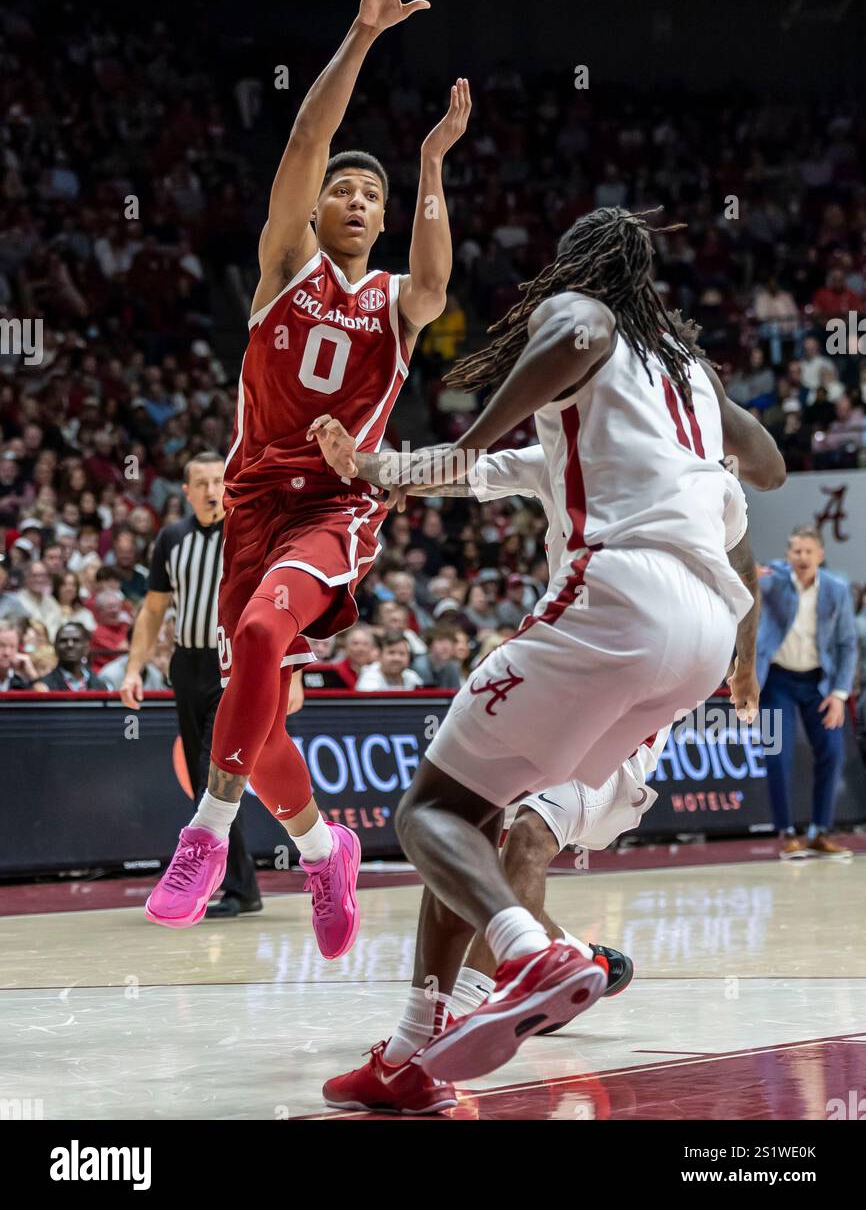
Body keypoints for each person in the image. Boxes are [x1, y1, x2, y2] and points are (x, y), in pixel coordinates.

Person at [312, 204, 785, 1108]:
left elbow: (560, 347)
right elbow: (765, 467)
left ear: (576, 273)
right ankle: (411, 1054)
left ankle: (532, 953)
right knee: (474, 813)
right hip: (698, 640)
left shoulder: (585, 316)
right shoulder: (684, 375)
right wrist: (378, 468)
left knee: (426, 812)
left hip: (623, 597)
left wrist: (468, 433)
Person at [145, 0, 472, 959]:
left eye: (371, 196)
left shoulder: (396, 305)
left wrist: (426, 167)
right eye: (345, 190)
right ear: (318, 207)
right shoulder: (283, 266)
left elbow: (431, 280)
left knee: (252, 643)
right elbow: (303, 137)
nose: (355, 200)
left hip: (333, 512)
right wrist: (366, 30)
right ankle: (324, 848)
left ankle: (204, 831)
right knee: (267, 725)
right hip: (250, 502)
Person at [122, 453, 264, 917]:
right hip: (187, 665)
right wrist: (132, 668)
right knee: (204, 778)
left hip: (235, 666)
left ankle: (239, 887)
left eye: (218, 481)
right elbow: (154, 609)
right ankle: (235, 883)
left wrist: (292, 673)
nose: (209, 490)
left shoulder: (247, 531)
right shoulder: (171, 538)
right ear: (185, 492)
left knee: (214, 773)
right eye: (200, 483)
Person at [756, 526, 857, 859]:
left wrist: (840, 694)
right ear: (788, 556)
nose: (801, 558)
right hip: (776, 682)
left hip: (819, 684)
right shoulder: (774, 580)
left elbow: (846, 643)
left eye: (808, 552)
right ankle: (787, 834)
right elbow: (753, 577)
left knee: (832, 753)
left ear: (820, 556)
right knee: (777, 755)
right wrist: (748, 574)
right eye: (796, 552)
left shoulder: (837, 590)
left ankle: (819, 832)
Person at [35, 622, 108, 691]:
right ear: (55, 647)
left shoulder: (100, 684)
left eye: (76, 640)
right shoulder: (44, 687)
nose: (70, 645)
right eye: (64, 641)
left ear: (86, 647)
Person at [356, 631, 423, 691]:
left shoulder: (412, 677)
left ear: (409, 658)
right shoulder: (369, 677)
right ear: (380, 655)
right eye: (391, 652)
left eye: (402, 653)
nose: (397, 658)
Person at [0, 618, 37, 690]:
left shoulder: (20, 681)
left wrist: (32, 675)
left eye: (12, 646)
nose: (7, 653)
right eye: (1, 645)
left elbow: (43, 699)